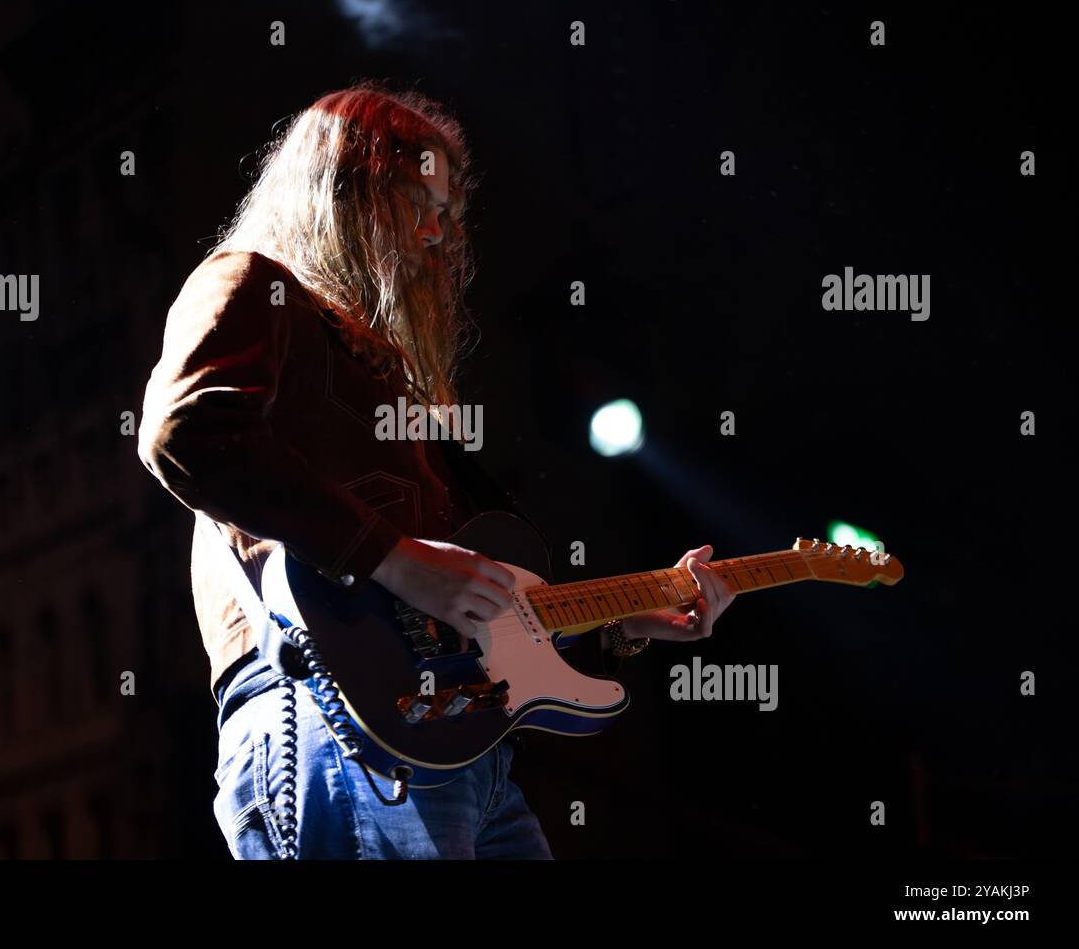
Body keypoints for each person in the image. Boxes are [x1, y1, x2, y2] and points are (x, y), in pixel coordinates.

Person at [136, 81, 735, 859]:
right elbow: (185, 434)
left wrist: (621, 622)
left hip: (459, 745)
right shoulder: (253, 284)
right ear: (344, 187)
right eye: (415, 197)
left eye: (446, 213)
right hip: (326, 717)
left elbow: (451, 614)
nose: (432, 230)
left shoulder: (391, 387)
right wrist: (392, 556)